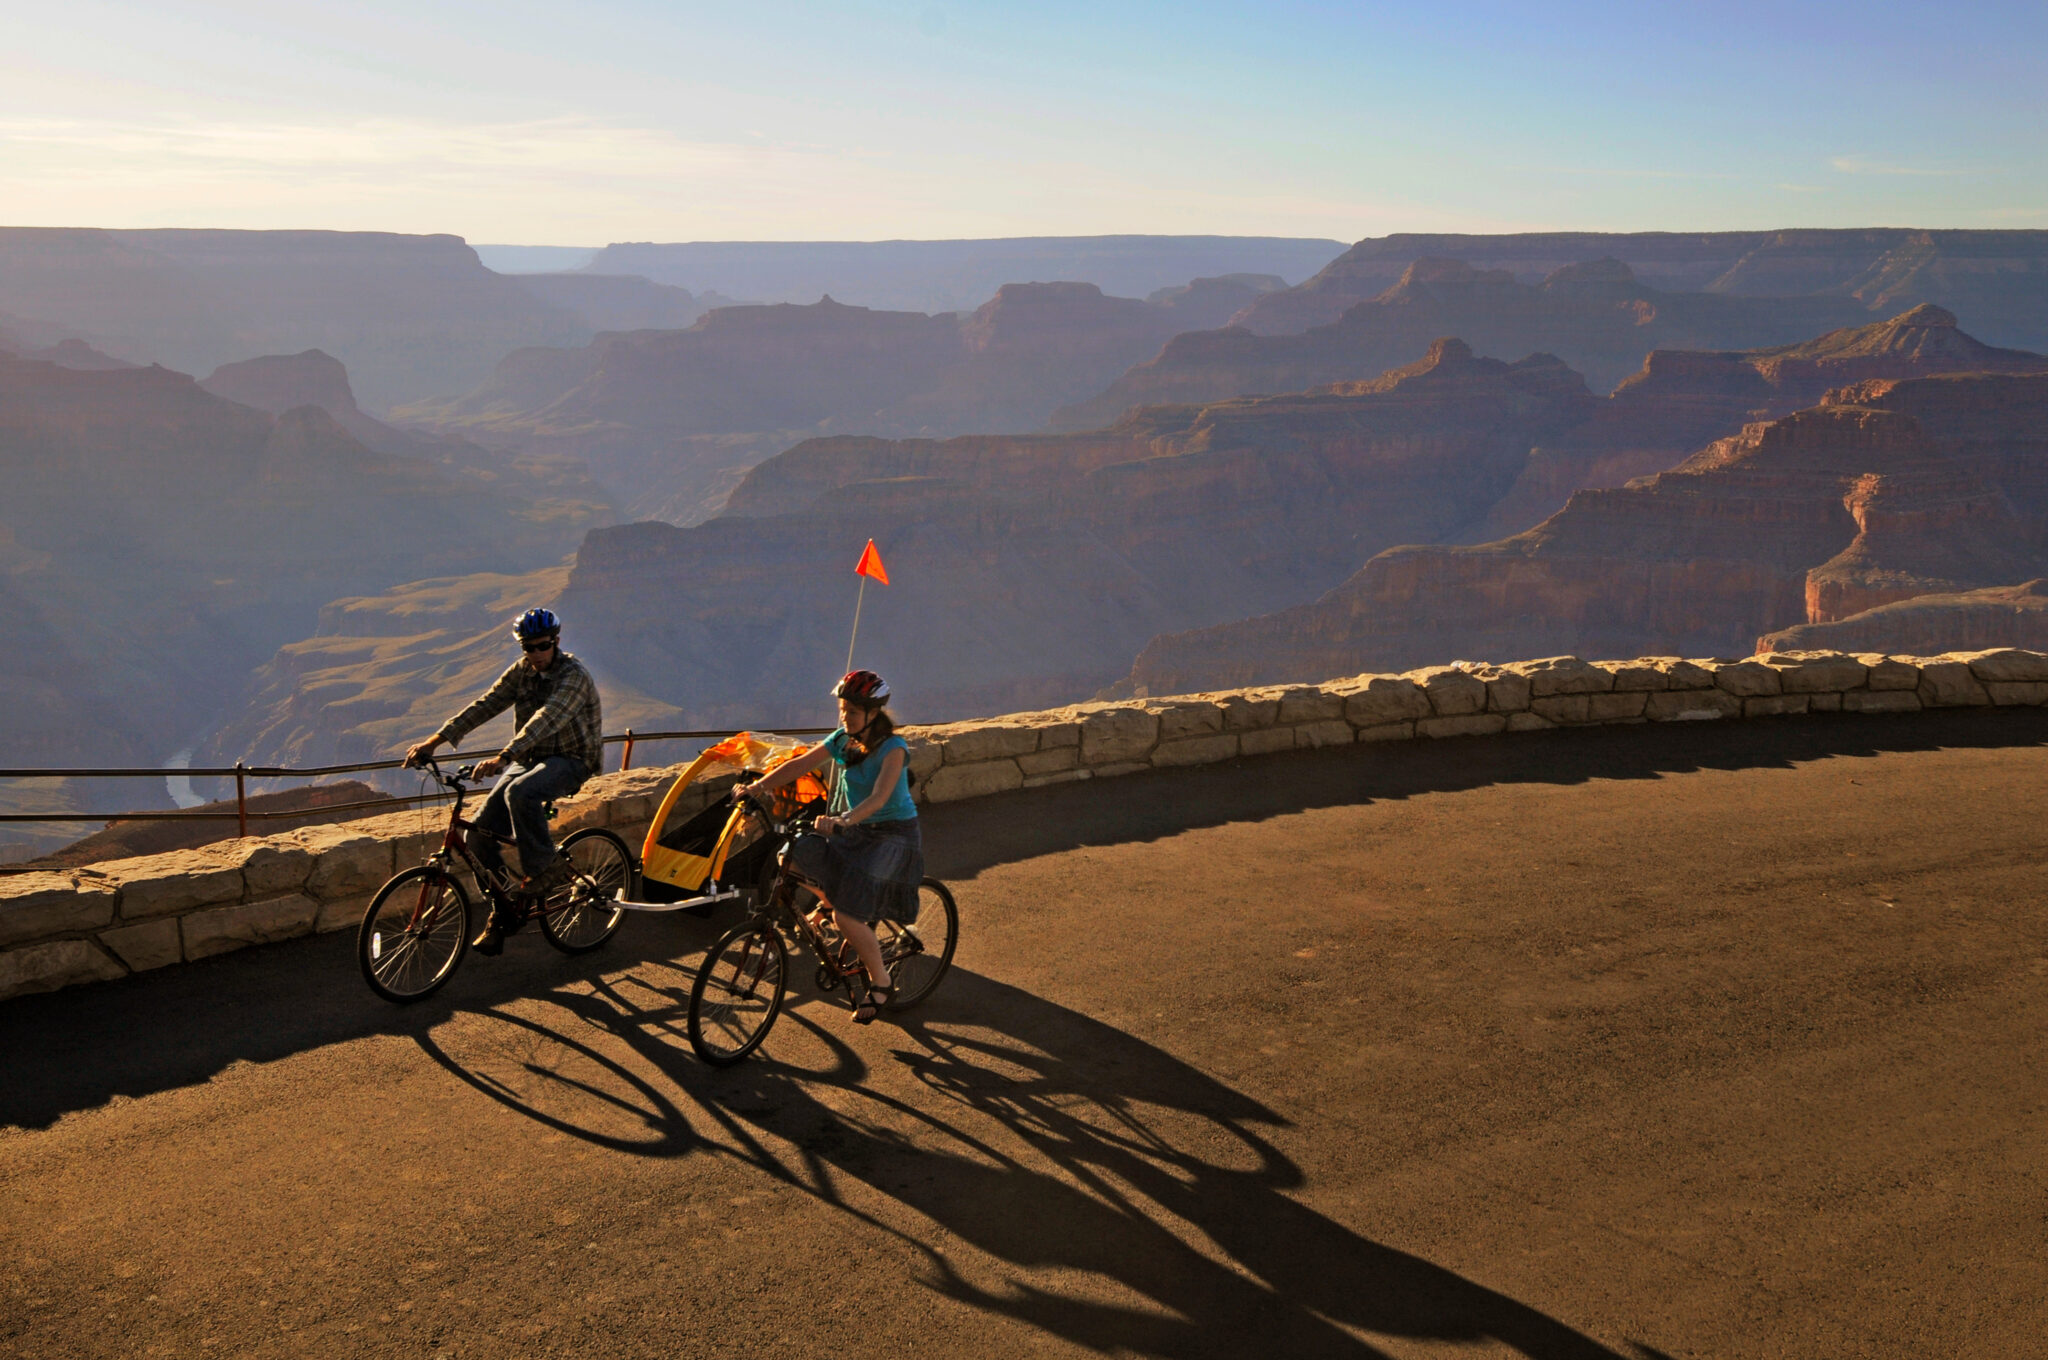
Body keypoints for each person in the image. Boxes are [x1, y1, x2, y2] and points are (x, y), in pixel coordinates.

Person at [405, 607, 603, 956]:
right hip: (529, 758)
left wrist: (504, 756)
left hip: (571, 760)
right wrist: (434, 742)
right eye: (528, 647)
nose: (536, 654)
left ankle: (545, 867)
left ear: (556, 641)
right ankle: (504, 908)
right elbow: (486, 704)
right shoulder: (522, 671)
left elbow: (547, 718)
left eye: (542, 646)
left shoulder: (574, 676)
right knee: (477, 836)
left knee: (520, 792)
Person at [742, 670, 922, 1023]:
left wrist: (844, 820)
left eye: (852, 712)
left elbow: (879, 798)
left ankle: (881, 981)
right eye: (842, 710)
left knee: (847, 917)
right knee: (790, 858)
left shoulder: (893, 749)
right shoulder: (843, 740)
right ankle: (829, 902)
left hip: (891, 835)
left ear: (873, 713)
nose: (844, 717)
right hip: (851, 828)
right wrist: (756, 788)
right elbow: (800, 764)